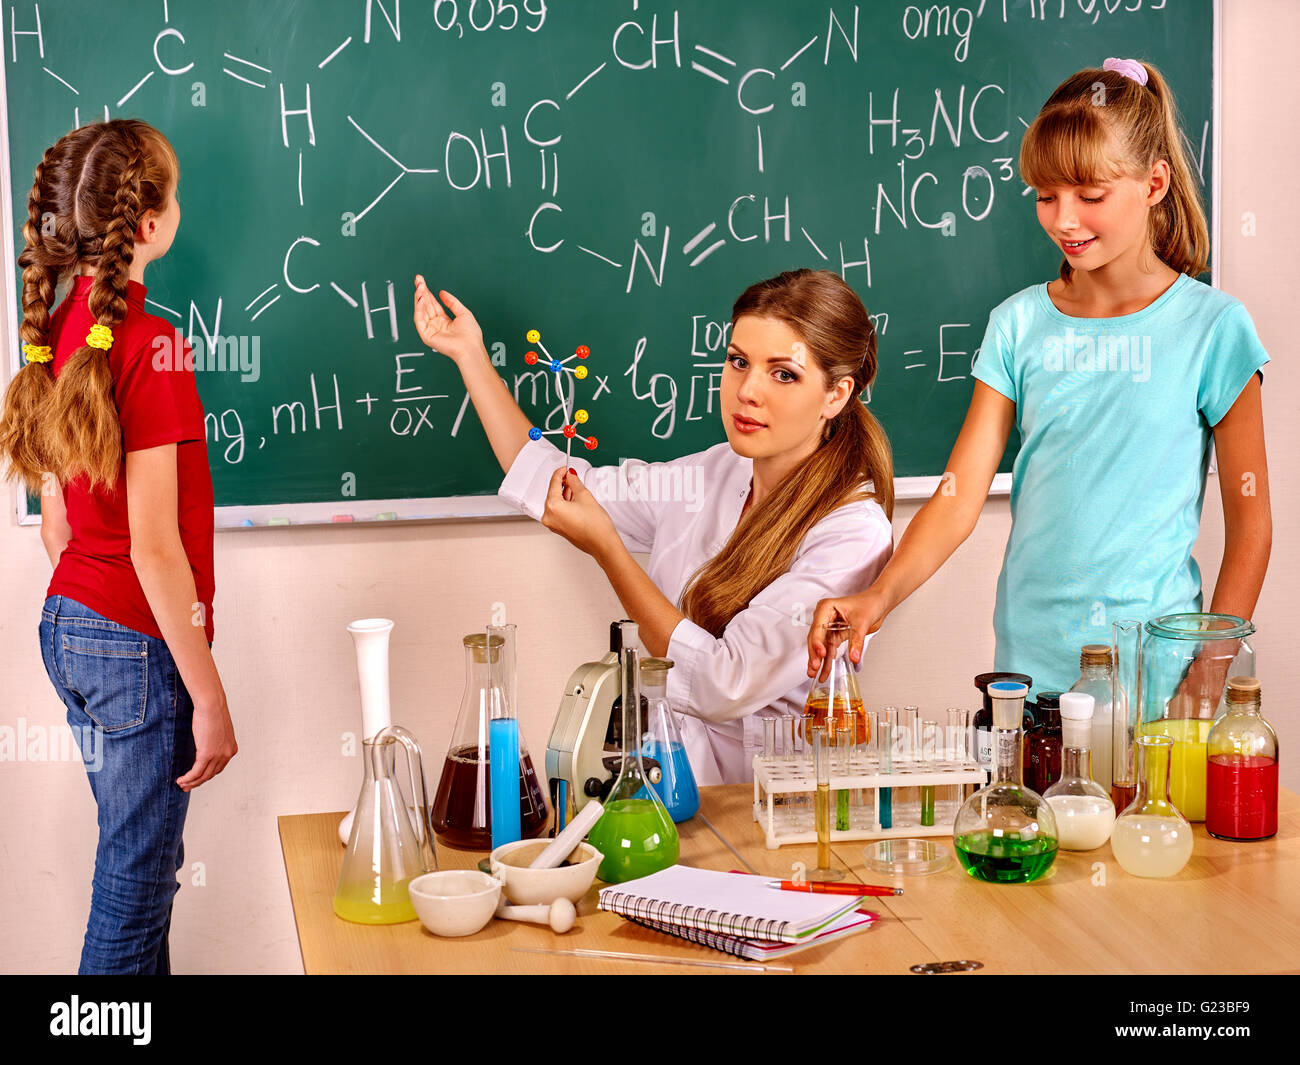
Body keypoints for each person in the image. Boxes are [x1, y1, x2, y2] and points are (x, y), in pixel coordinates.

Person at [808, 58, 1271, 710]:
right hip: (1030, 673)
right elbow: (958, 494)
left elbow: (1252, 523)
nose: (1064, 219)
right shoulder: (1018, 325)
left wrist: (1208, 672)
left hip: (1157, 678)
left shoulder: (1214, 329)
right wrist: (876, 596)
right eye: (1045, 196)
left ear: (1155, 183)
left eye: (1090, 195)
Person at [413, 268, 894, 783]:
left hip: (772, 809)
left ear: (836, 395)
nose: (747, 391)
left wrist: (610, 554)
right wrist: (470, 356)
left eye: (783, 374)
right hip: (676, 787)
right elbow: (562, 483)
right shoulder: (712, 473)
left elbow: (720, 683)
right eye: (738, 362)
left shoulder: (851, 532)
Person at [0, 120, 236, 974]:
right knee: (134, 894)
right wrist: (208, 694)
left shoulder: (62, 330)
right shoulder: (149, 342)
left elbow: (59, 523)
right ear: (148, 224)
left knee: (140, 879)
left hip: (69, 626)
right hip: (132, 643)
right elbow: (155, 549)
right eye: (172, 196)